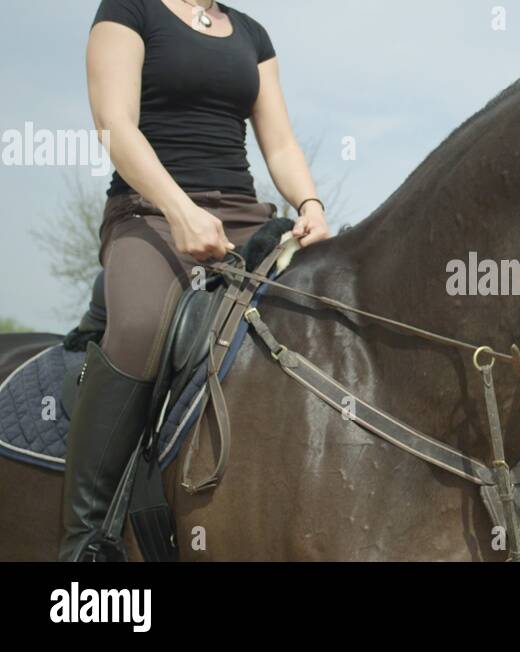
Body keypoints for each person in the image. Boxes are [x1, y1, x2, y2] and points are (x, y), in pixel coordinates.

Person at [62, 0, 329, 561]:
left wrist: (309, 202)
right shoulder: (128, 10)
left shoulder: (253, 35)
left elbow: (278, 142)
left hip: (244, 216)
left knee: (324, 311)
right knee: (138, 327)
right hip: (148, 213)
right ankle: (86, 538)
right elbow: (114, 124)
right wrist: (178, 210)